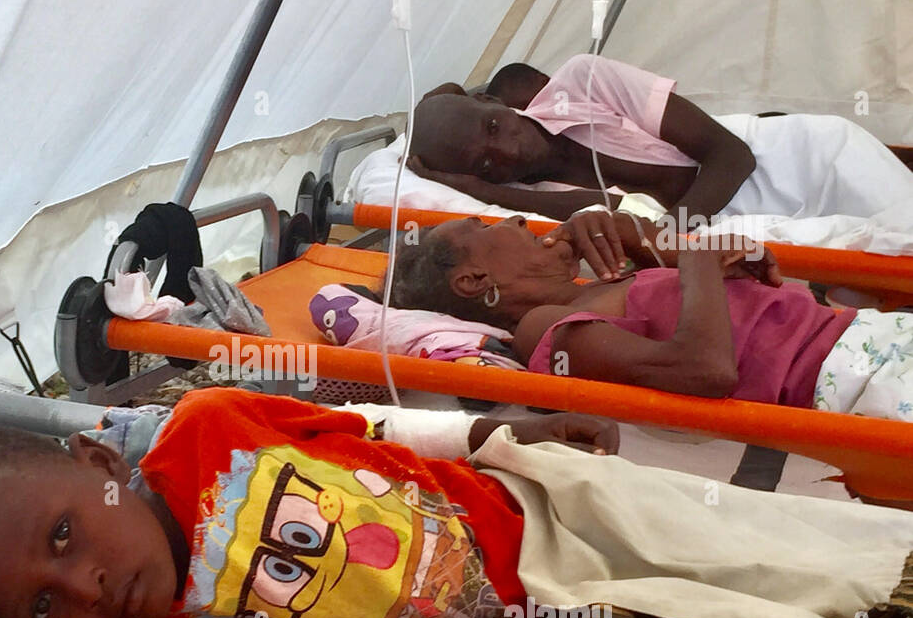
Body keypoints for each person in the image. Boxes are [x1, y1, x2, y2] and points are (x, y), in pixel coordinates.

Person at [0, 382, 913, 618]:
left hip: (530, 514)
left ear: (95, 459)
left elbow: (364, 425)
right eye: (41, 607)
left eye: (66, 535)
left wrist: (489, 428)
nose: (85, 586)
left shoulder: (209, 427)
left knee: (770, 552)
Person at [389, 213, 913, 420]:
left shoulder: (600, 286)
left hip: (867, 334)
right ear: (474, 281)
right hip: (853, 378)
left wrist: (625, 228)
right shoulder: (544, 329)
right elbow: (704, 371)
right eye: (484, 226)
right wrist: (700, 259)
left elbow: (689, 273)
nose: (519, 219)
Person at [408, 54, 757, 226]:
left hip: (785, 168)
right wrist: (482, 192)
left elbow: (732, 156)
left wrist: (669, 237)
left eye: (494, 127)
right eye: (484, 164)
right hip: (752, 214)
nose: (508, 151)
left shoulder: (581, 81)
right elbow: (628, 216)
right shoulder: (532, 203)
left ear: (492, 102)